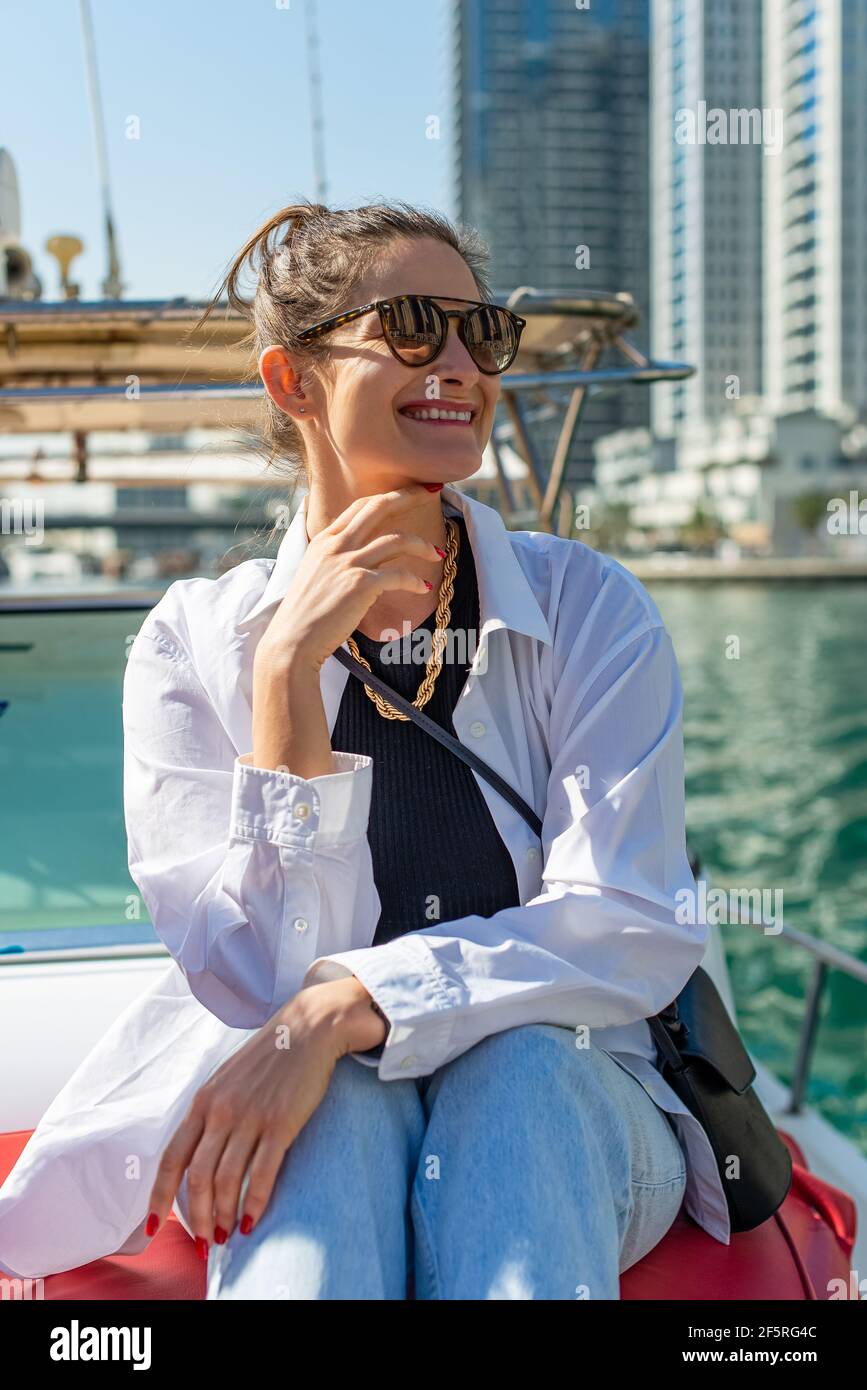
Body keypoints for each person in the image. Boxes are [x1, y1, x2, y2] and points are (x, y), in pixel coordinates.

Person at [0, 199, 729, 1299]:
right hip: (320, 1111)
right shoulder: (198, 644)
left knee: (522, 1071)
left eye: (482, 335)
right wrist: (287, 673)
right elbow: (252, 982)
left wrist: (342, 1009)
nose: (459, 365)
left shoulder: (589, 609)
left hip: (577, 1110)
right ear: (293, 382)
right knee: (336, 1102)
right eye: (412, 326)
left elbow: (623, 922)